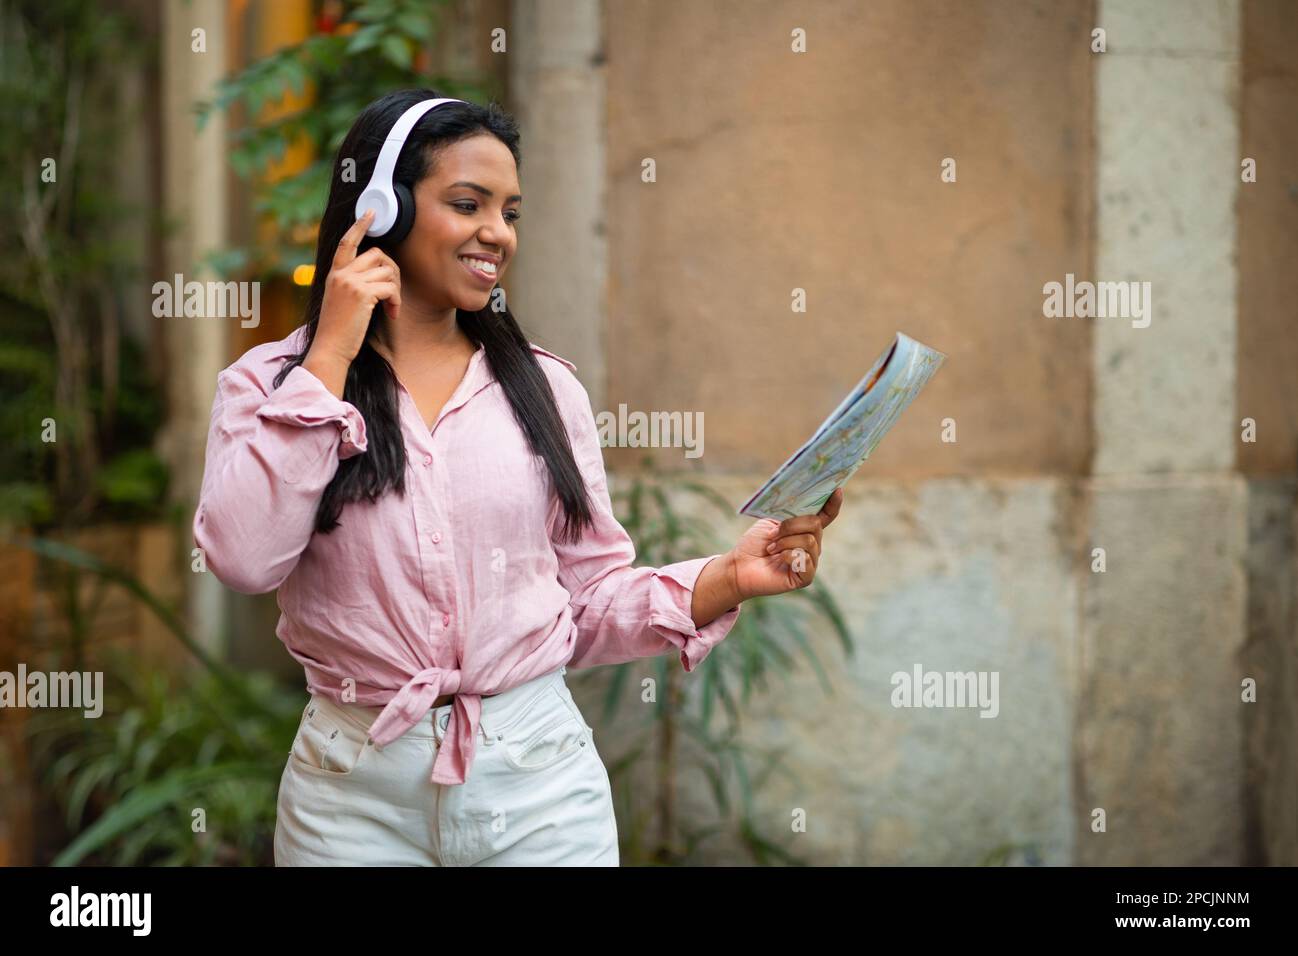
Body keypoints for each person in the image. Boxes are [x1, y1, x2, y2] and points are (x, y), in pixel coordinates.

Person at [193, 89, 843, 867]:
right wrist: (329, 355)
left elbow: (588, 604)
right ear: (381, 210)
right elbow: (243, 558)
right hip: (350, 796)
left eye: (511, 212)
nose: (496, 234)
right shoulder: (271, 385)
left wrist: (731, 575)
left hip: (537, 784)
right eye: (468, 204)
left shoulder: (545, 390)